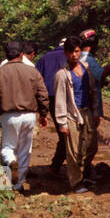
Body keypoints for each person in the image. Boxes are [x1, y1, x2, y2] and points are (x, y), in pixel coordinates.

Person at [0, 40, 49, 192]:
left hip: (8, 115)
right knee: (25, 150)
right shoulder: (32, 71)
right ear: (21, 54)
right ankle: (19, 185)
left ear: (6, 55)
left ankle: (5, 181)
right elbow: (43, 94)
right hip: (29, 115)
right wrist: (43, 114)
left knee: (7, 148)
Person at [77, 29, 110, 181]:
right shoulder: (89, 60)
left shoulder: (78, 59)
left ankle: (4, 183)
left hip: (80, 106)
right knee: (89, 144)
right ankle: (83, 174)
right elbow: (102, 74)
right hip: (88, 107)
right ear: (93, 45)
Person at [53, 37, 94, 193]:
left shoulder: (85, 68)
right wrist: (62, 123)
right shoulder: (62, 75)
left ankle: (85, 174)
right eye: (71, 52)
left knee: (91, 146)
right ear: (66, 53)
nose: (74, 55)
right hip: (71, 114)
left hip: (87, 112)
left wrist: (95, 112)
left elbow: (92, 91)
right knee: (73, 150)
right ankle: (76, 182)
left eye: (76, 51)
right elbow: (60, 100)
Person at [35, 38, 71, 174]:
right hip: (69, 98)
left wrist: (41, 110)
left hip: (51, 99)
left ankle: (9, 180)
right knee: (69, 134)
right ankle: (57, 166)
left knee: (62, 132)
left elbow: (37, 80)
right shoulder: (72, 57)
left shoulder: (44, 58)